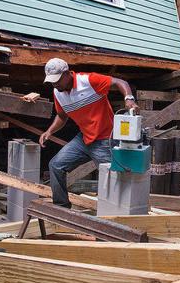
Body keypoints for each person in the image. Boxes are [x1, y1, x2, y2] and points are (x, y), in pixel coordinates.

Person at [38, 58, 139, 208]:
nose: (55, 84)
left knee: (114, 178)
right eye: (52, 82)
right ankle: (61, 208)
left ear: (67, 73)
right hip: (84, 139)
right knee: (55, 165)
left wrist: (129, 98)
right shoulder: (58, 93)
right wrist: (49, 131)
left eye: (57, 80)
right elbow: (62, 116)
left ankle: (118, 213)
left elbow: (120, 82)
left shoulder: (88, 80)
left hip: (105, 139)